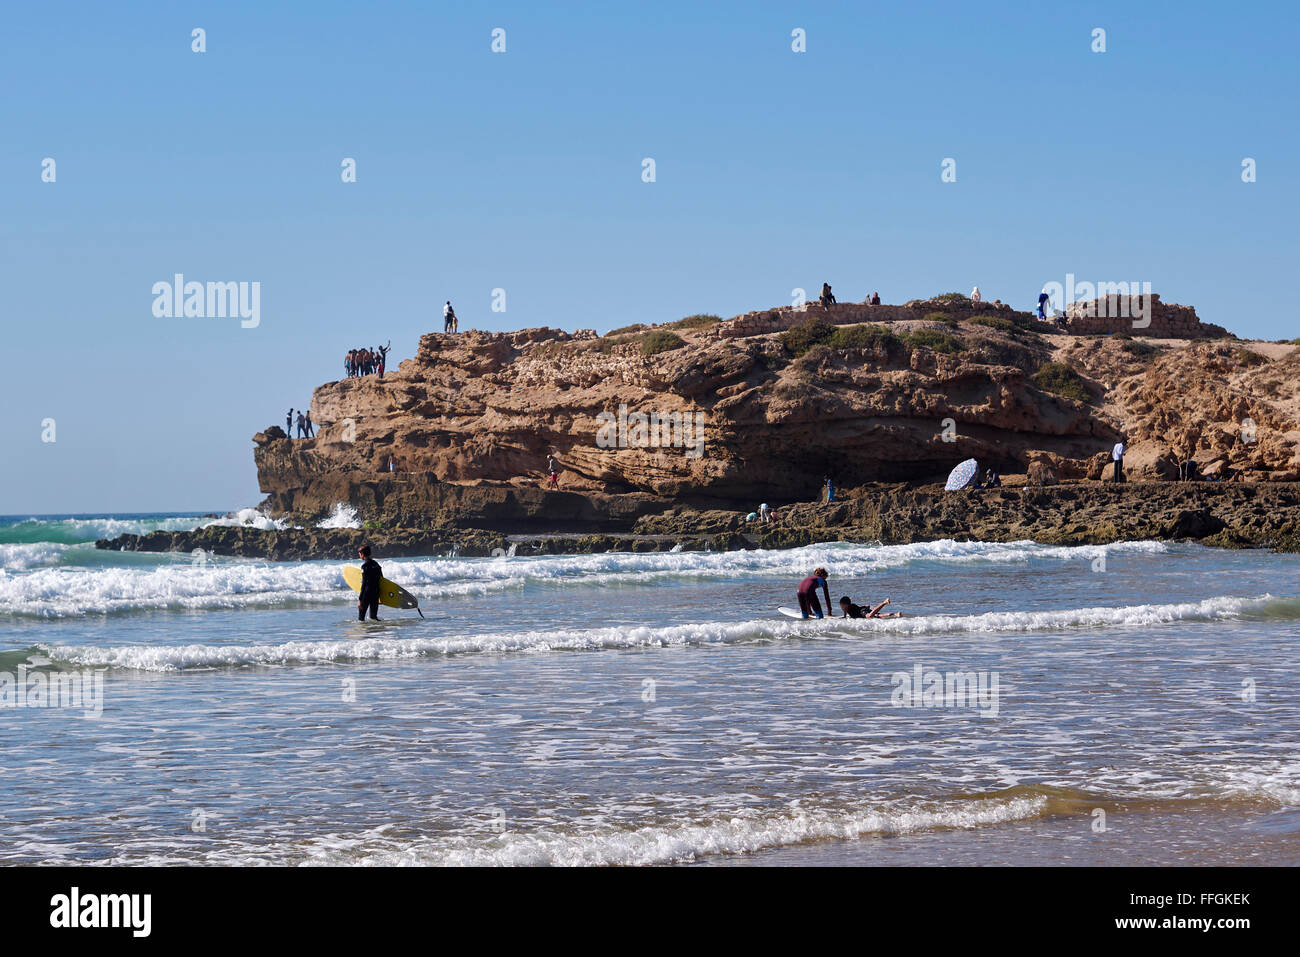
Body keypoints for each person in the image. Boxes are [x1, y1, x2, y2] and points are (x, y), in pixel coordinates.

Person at [356, 545, 382, 621]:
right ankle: (375, 631)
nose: (359, 556)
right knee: (374, 617)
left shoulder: (365, 566)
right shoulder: (376, 564)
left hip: (367, 594)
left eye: (359, 554)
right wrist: (380, 596)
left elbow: (364, 583)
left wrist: (360, 599)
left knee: (361, 618)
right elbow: (381, 580)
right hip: (376, 593)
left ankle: (364, 632)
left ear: (362, 554)